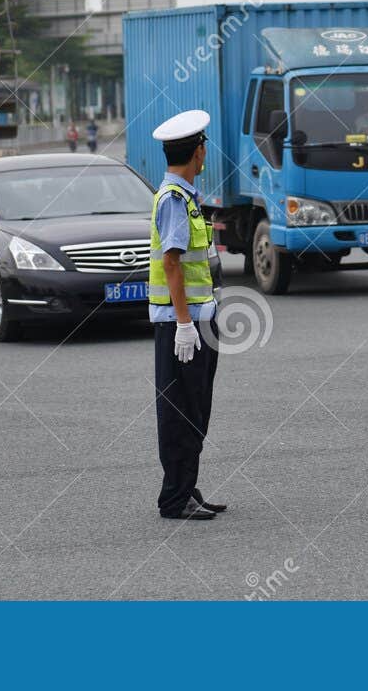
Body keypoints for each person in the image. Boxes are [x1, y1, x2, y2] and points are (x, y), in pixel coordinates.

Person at [147, 109, 224, 521]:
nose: (205, 151)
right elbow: (173, 264)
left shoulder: (186, 197)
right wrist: (183, 324)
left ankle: (187, 488)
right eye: (204, 145)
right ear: (197, 152)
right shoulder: (174, 201)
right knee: (180, 410)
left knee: (195, 407)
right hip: (185, 325)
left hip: (199, 320)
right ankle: (174, 498)